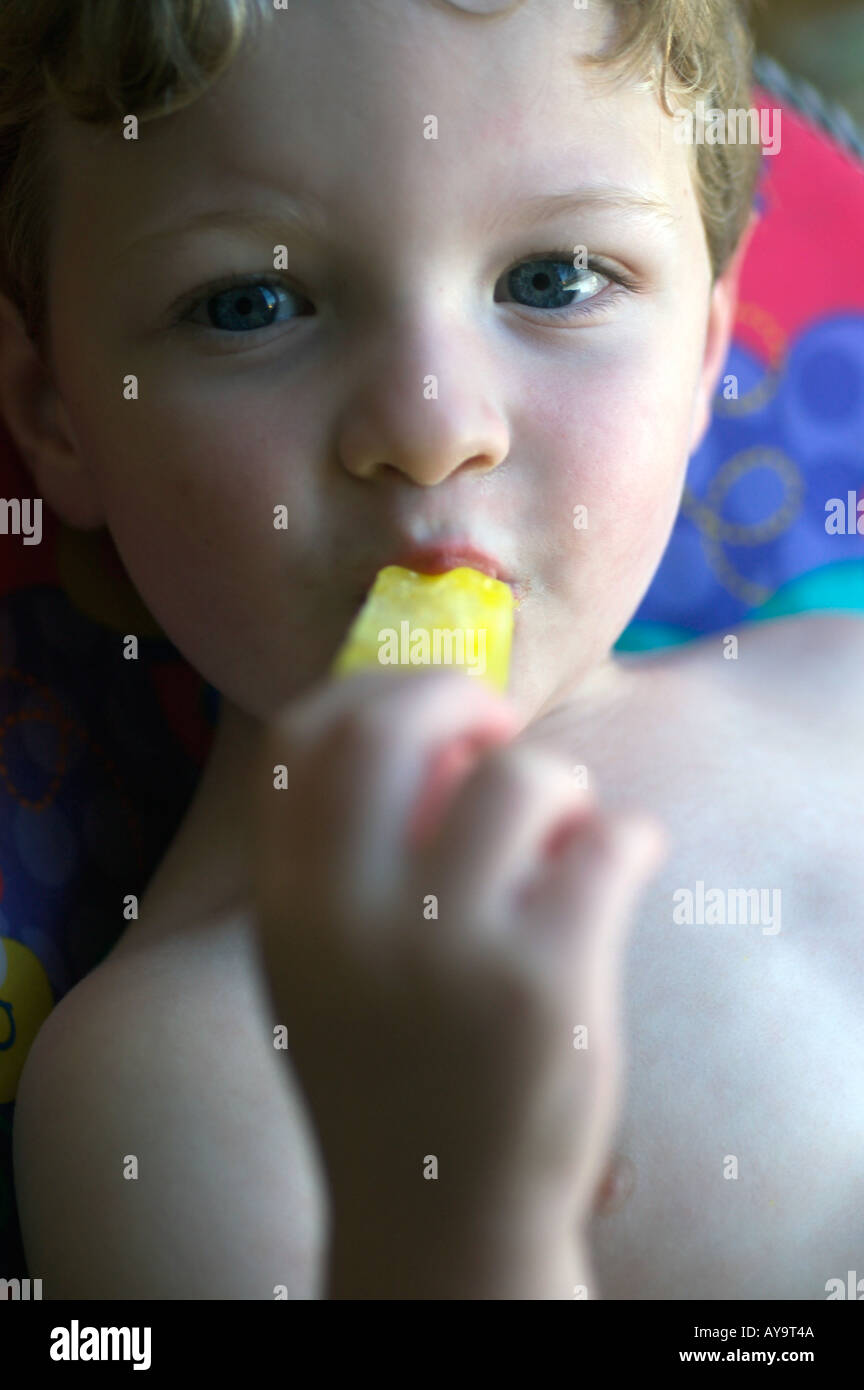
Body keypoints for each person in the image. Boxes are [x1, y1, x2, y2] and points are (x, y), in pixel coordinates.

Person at [2, 0, 861, 1299]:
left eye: (556, 279)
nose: (430, 422)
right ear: (54, 409)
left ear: (702, 349)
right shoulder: (174, 1084)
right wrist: (458, 1208)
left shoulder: (841, 686)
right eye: (252, 301)